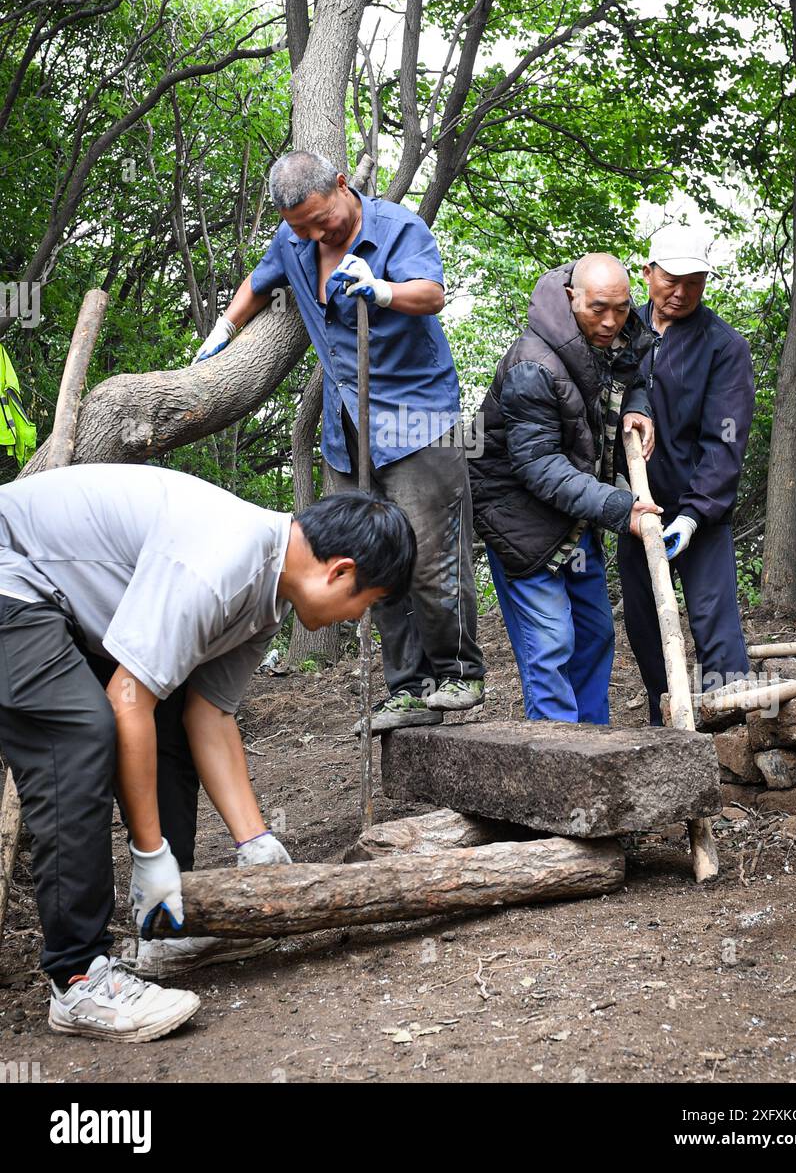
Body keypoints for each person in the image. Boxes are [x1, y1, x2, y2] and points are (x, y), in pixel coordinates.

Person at [0, 465, 415, 1040]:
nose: (360, 617)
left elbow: (208, 715)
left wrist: (258, 845)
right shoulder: (221, 564)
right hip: (12, 573)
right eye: (368, 601)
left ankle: (163, 927)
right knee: (79, 730)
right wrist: (149, 856)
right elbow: (126, 700)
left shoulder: (267, 594)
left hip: (59, 599)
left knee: (169, 713)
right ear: (340, 571)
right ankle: (78, 978)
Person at [196, 149, 485, 732]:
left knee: (430, 555)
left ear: (340, 185)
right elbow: (259, 283)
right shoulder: (294, 239)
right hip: (347, 430)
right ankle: (406, 688)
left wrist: (381, 291)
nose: (312, 233)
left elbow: (431, 293)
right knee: (371, 562)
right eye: (298, 226)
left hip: (415, 421)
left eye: (319, 219)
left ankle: (459, 675)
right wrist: (224, 328)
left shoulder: (397, 227)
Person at [468, 254, 659, 724]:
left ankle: (591, 746)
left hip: (574, 515)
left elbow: (631, 373)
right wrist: (622, 508)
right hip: (519, 519)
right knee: (551, 644)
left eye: (620, 307)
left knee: (594, 633)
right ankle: (557, 759)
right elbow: (539, 467)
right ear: (572, 298)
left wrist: (637, 405)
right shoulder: (532, 366)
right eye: (598, 309)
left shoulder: (614, 334)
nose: (611, 321)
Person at [617, 233, 755, 724]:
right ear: (648, 272)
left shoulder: (724, 348)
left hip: (702, 514)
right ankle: (668, 721)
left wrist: (695, 515)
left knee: (716, 623)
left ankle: (734, 730)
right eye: (672, 280)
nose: (680, 291)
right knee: (646, 624)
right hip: (636, 511)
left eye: (693, 283)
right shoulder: (620, 328)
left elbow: (726, 442)